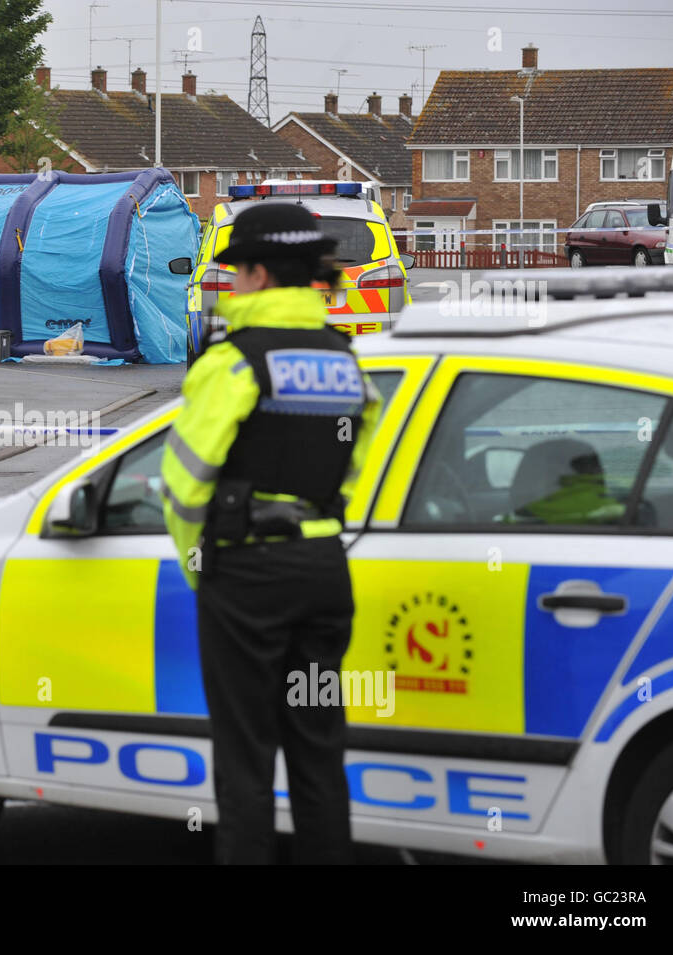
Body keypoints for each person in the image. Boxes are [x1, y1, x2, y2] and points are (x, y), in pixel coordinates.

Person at [160, 201, 382, 865]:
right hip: (323, 570)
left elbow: (183, 485)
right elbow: (360, 465)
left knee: (246, 759)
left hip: (247, 575)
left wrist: (206, 567)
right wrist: (315, 522)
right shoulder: (346, 358)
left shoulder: (233, 362)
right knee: (318, 755)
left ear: (257, 274)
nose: (227, 284)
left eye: (233, 272)